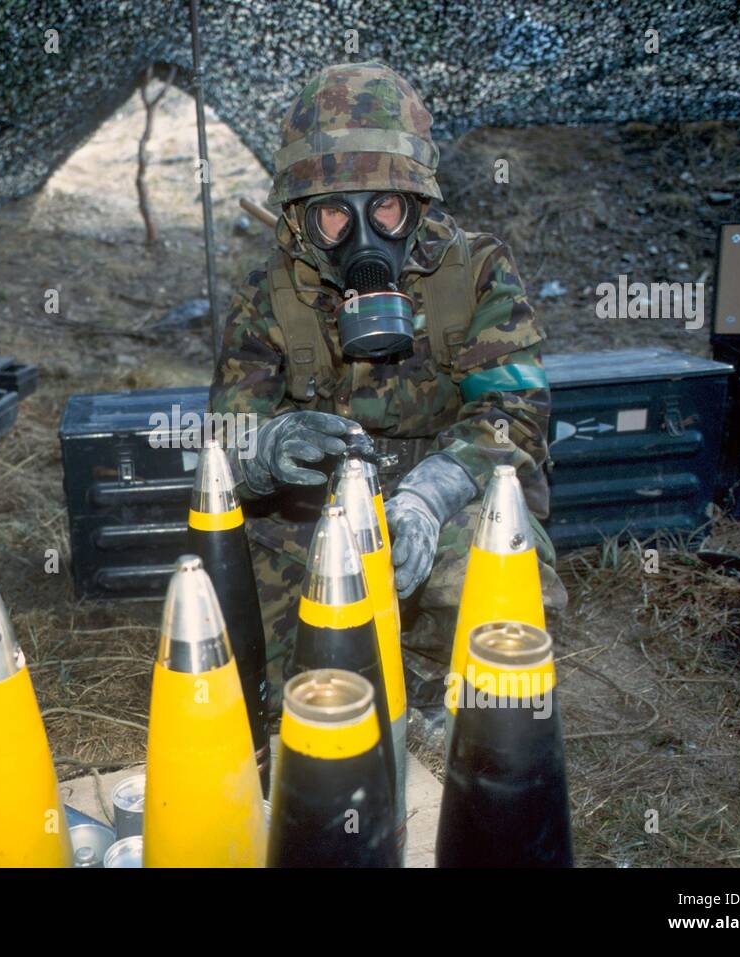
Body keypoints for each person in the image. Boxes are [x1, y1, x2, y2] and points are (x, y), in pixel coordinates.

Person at [209, 61, 567, 709]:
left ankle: (438, 684)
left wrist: (430, 496)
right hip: (315, 513)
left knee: (501, 642)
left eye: (385, 208)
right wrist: (267, 448)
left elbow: (513, 414)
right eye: (333, 217)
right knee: (296, 685)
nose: (363, 236)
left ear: (418, 204)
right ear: (296, 220)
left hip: (451, 498)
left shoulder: (475, 271)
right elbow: (223, 441)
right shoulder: (271, 294)